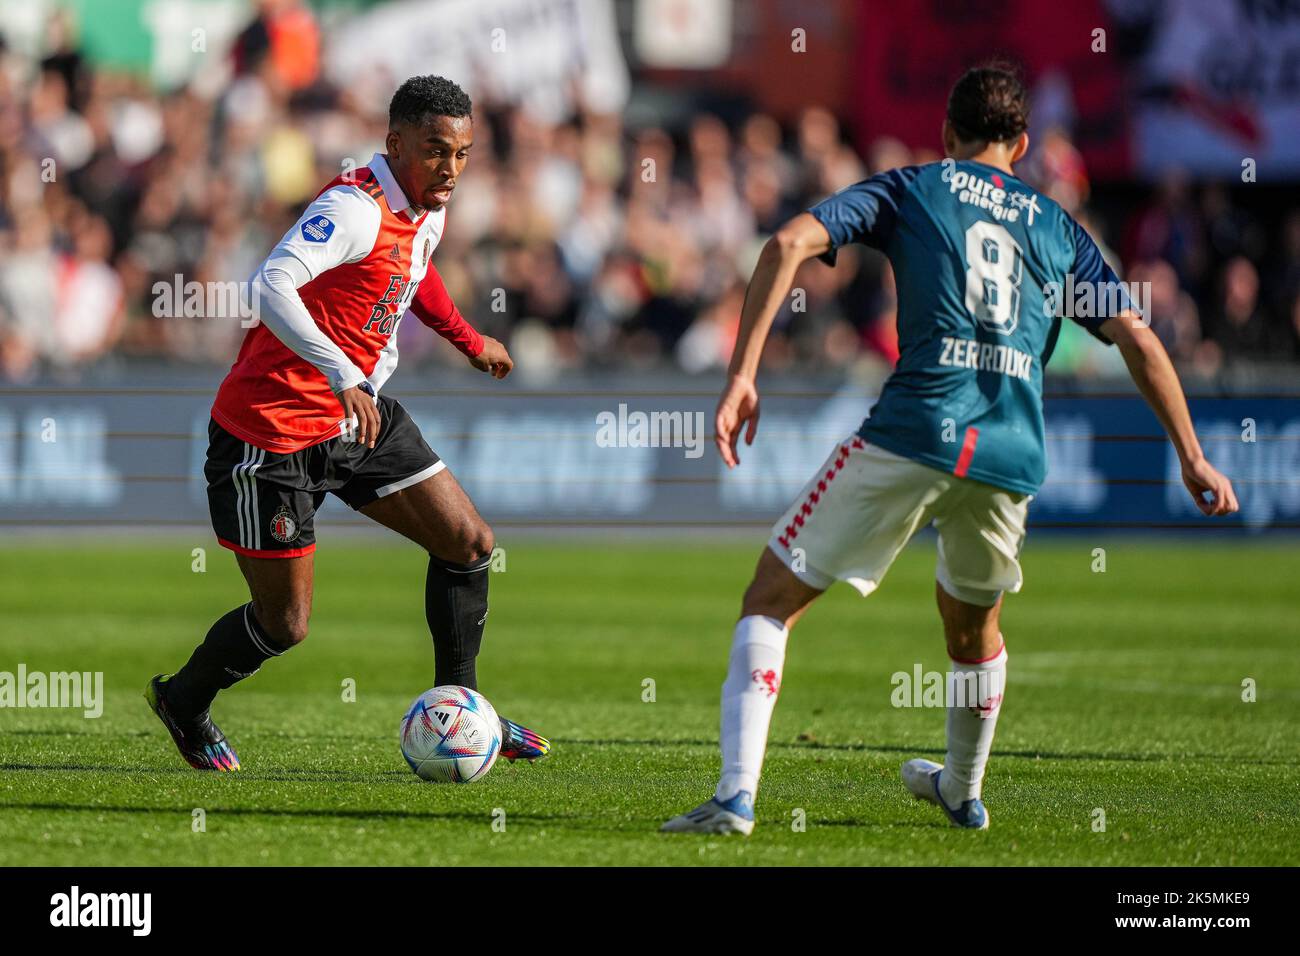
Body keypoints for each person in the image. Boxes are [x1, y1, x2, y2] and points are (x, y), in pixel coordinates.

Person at [662, 63, 1237, 835]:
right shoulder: (1057, 224)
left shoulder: (911, 186)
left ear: (947, 134)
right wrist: (1192, 455)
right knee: (972, 633)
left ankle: (735, 797)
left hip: (916, 427)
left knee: (770, 600)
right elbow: (1137, 334)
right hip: (1011, 454)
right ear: (1023, 144)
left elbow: (789, 241)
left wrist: (742, 376)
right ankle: (962, 791)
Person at [146, 75, 549, 771]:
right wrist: (344, 374)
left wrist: (468, 340)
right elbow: (271, 282)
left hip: (355, 419)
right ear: (395, 144)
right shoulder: (353, 208)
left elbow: (414, 274)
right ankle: (183, 700)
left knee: (468, 543)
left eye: (462, 152)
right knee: (285, 625)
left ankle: (464, 714)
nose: (450, 167)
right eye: (435, 151)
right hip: (267, 435)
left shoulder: (429, 206)